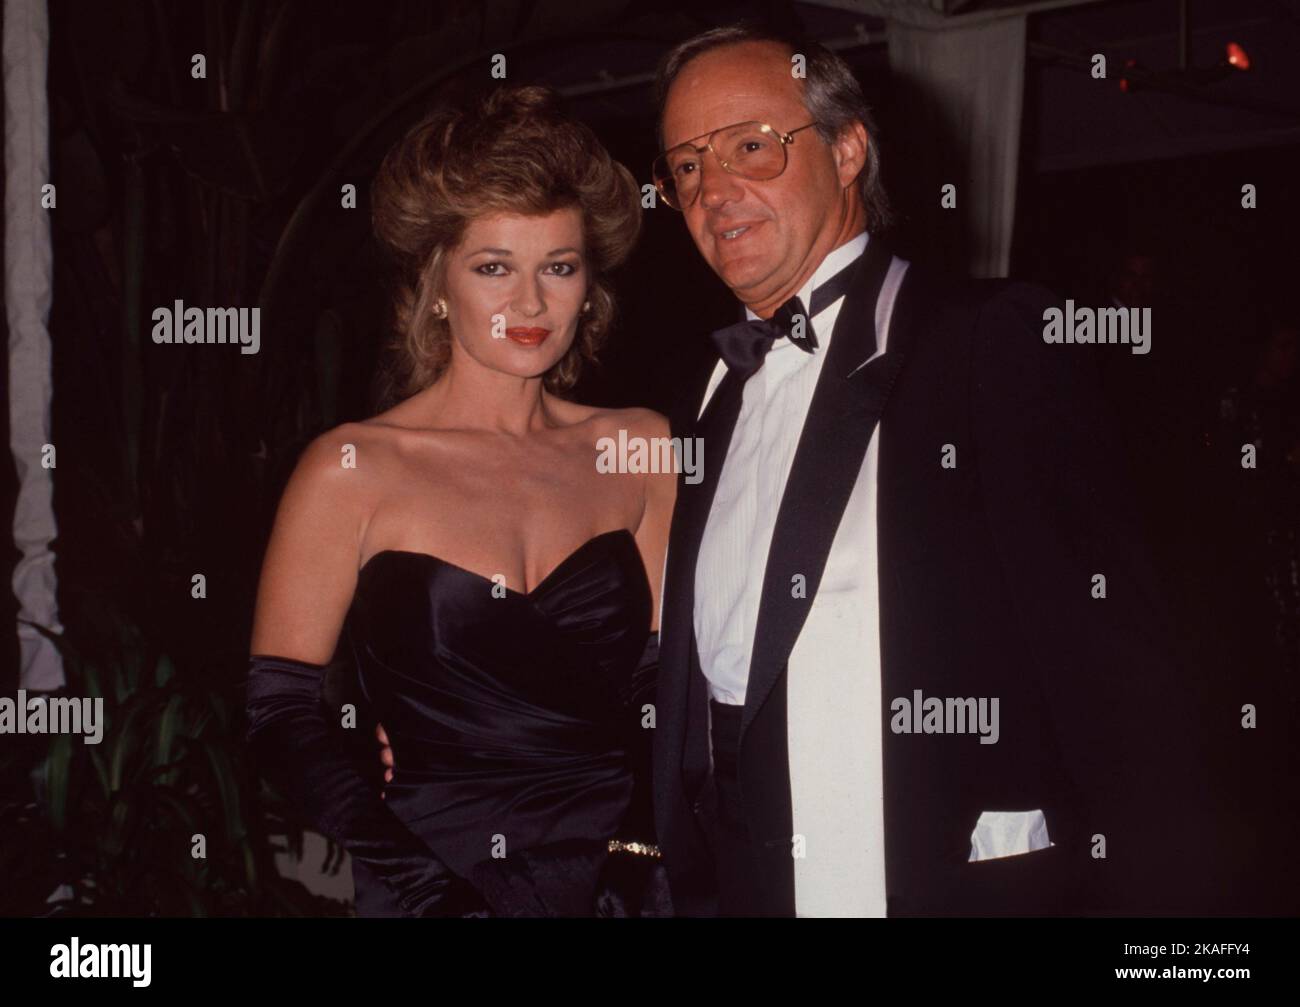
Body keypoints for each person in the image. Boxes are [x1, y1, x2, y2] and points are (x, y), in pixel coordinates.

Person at [647, 24, 1219, 917]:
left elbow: (1123, 679)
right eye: (685, 165)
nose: (713, 189)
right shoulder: (714, 389)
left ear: (846, 150)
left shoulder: (990, 341)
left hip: (942, 876)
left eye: (750, 146)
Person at [245, 84, 675, 917]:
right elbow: (280, 714)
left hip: (619, 880)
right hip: (431, 875)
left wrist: (637, 856)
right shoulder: (350, 467)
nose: (529, 303)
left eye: (558, 266)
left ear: (590, 284)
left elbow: (664, 694)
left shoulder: (645, 446)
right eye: (493, 267)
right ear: (436, 282)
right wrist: (428, 892)